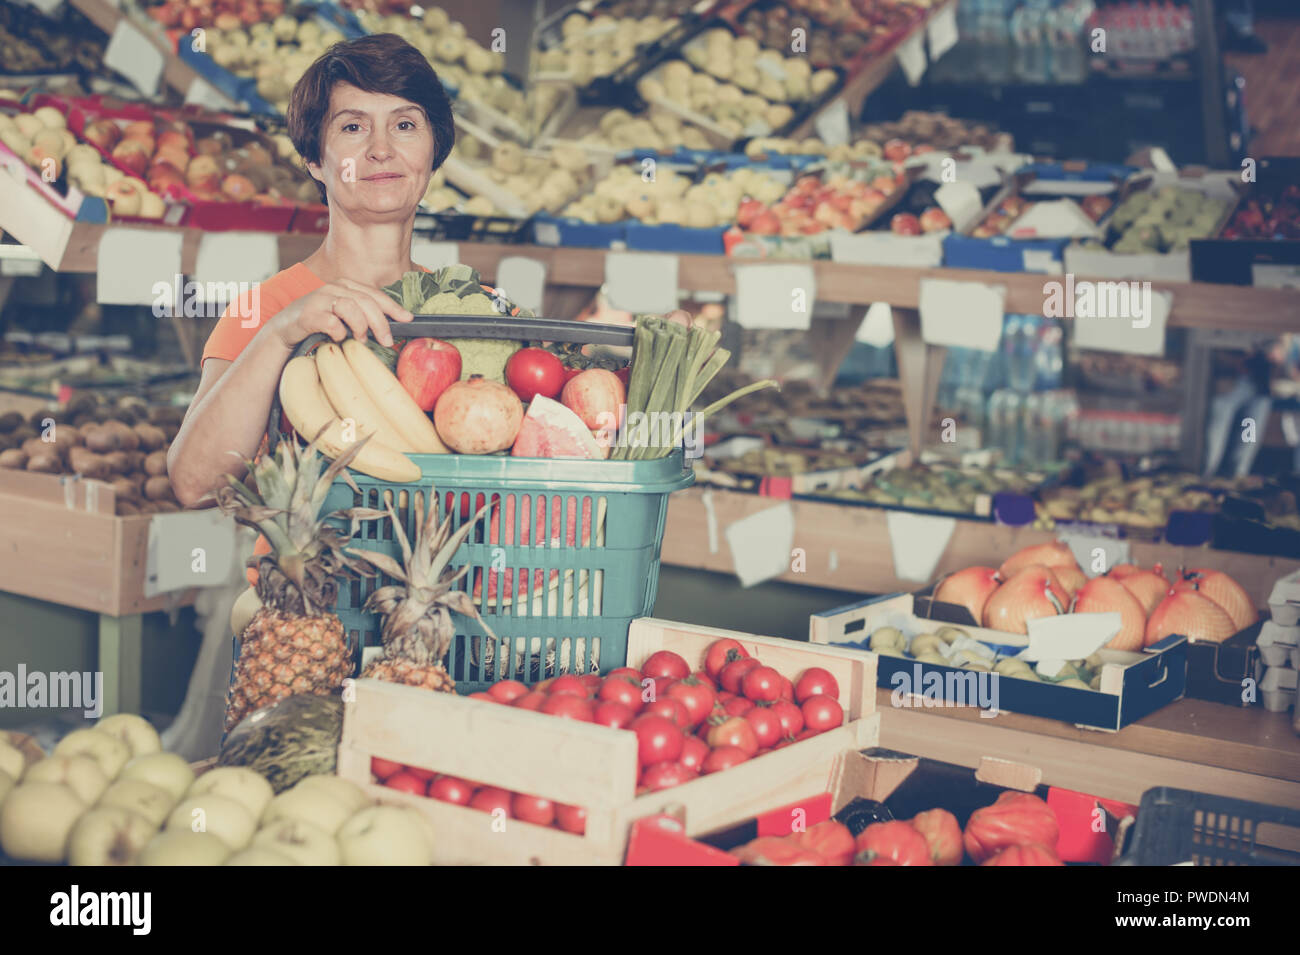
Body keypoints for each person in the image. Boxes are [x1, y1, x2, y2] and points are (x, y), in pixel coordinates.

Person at [167, 33, 455, 507]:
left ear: (433, 149)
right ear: (315, 161)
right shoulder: (267, 310)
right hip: (307, 580)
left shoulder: (468, 308)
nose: (381, 149)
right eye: (353, 128)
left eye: (405, 125)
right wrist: (280, 334)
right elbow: (196, 484)